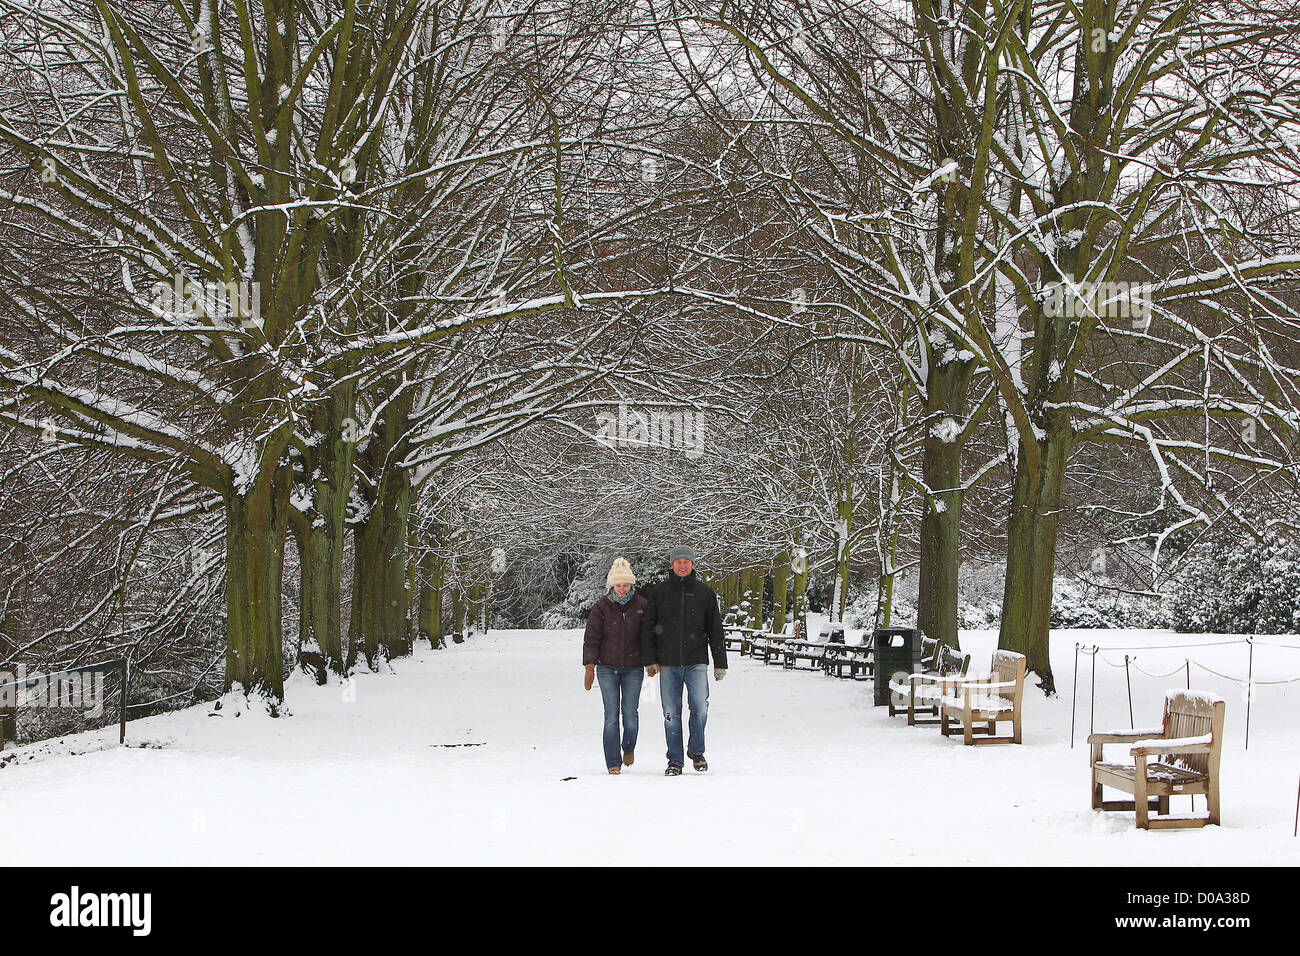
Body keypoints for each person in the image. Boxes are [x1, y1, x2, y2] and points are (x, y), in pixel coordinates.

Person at [641, 545, 727, 775]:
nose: (682, 565)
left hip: (696, 661)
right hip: (668, 664)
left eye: (686, 561)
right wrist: (650, 660)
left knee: (700, 707)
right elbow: (647, 628)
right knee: (671, 712)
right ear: (671, 564)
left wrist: (720, 663)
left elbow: (715, 629)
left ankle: (697, 752)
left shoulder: (705, 593)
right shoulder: (659, 593)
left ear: (692, 564)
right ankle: (675, 760)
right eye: (678, 561)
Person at [582, 557, 647, 774]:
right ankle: (613, 762)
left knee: (630, 714)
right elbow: (592, 637)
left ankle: (628, 747)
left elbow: (649, 637)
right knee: (611, 716)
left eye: (626, 584)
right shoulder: (601, 607)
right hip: (607, 668)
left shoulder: (642, 606)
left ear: (631, 585)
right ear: (612, 585)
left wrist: (652, 661)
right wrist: (590, 665)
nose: (622, 589)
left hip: (634, 668)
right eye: (618, 585)